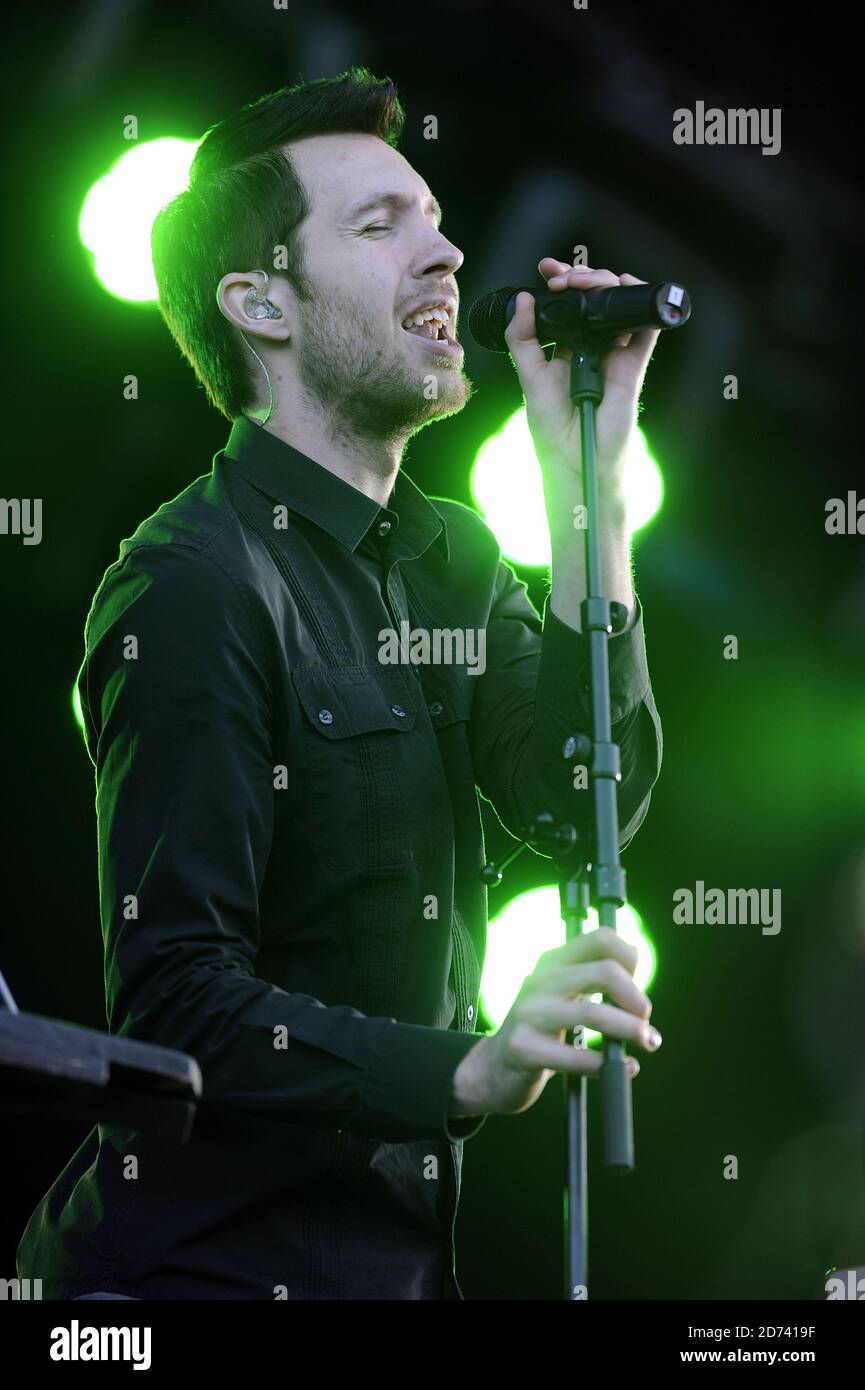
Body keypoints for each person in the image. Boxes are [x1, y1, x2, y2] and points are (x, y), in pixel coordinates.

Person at [17, 66, 663, 1301]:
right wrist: (459, 1071)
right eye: (382, 227)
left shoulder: (455, 560)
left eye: (434, 221)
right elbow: (176, 1001)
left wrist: (590, 466)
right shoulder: (193, 582)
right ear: (261, 302)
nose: (449, 255)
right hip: (189, 1282)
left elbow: (587, 800)